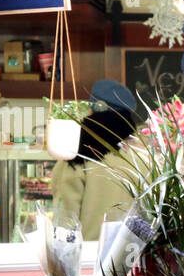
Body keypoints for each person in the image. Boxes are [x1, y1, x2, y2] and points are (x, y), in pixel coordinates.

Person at [50, 79, 141, 241]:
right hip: (133, 257)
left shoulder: (78, 158)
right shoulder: (142, 158)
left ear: (93, 112)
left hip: (88, 258)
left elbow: (65, 219)